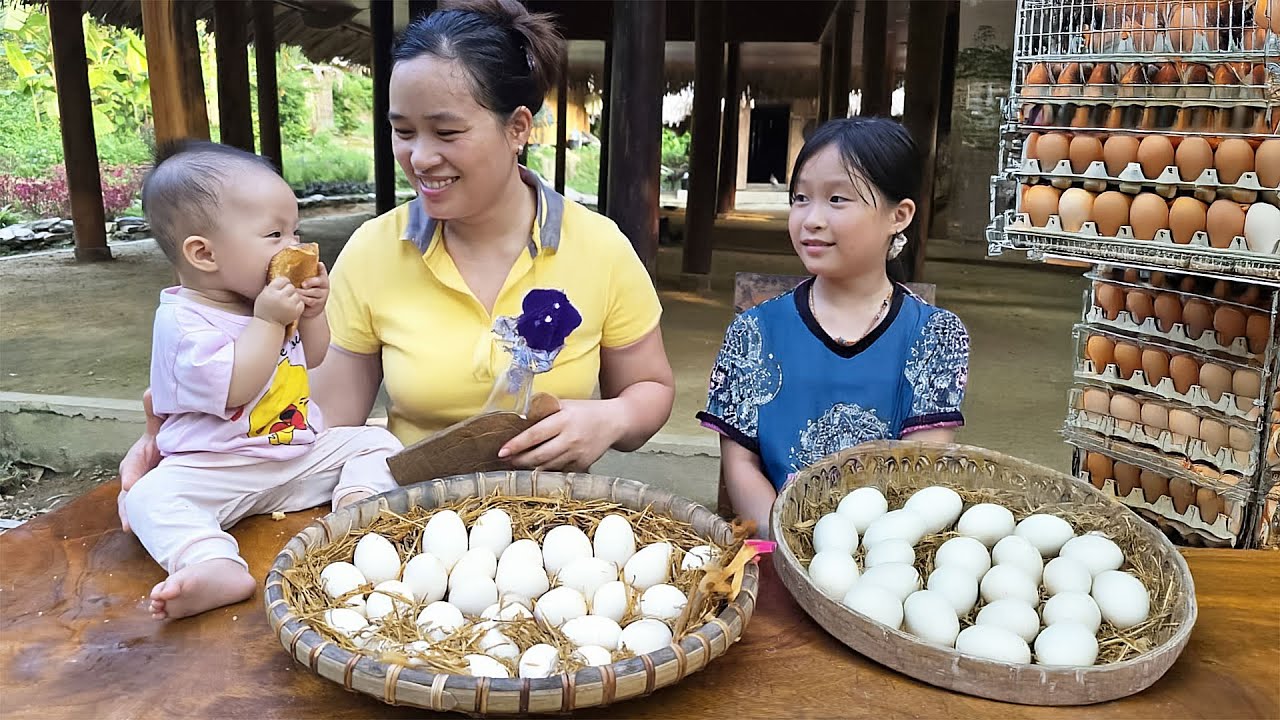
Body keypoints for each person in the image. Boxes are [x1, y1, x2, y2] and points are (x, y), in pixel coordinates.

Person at [118, 1, 674, 512]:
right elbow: (326, 419)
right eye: (402, 131)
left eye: (447, 131)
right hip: (411, 517)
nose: (420, 157)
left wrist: (613, 416)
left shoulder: (599, 246)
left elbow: (651, 390)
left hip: (554, 513)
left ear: (518, 128)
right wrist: (188, 446)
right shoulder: (373, 251)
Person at [124, 141, 403, 620]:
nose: (294, 247)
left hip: (292, 454)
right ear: (203, 253)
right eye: (274, 234)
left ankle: (358, 508)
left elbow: (312, 359)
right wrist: (270, 321)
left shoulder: (267, 299)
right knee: (148, 497)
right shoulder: (182, 322)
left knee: (377, 444)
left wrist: (313, 314)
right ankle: (210, 562)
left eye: (294, 230)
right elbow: (236, 388)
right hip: (215, 468)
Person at [697, 118, 970, 537]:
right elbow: (741, 464)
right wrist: (791, 546)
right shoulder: (754, 332)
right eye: (801, 198)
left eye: (837, 199)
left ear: (899, 215)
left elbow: (923, 473)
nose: (811, 219)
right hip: (778, 547)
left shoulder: (935, 335)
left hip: (886, 556)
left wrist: (864, 554)